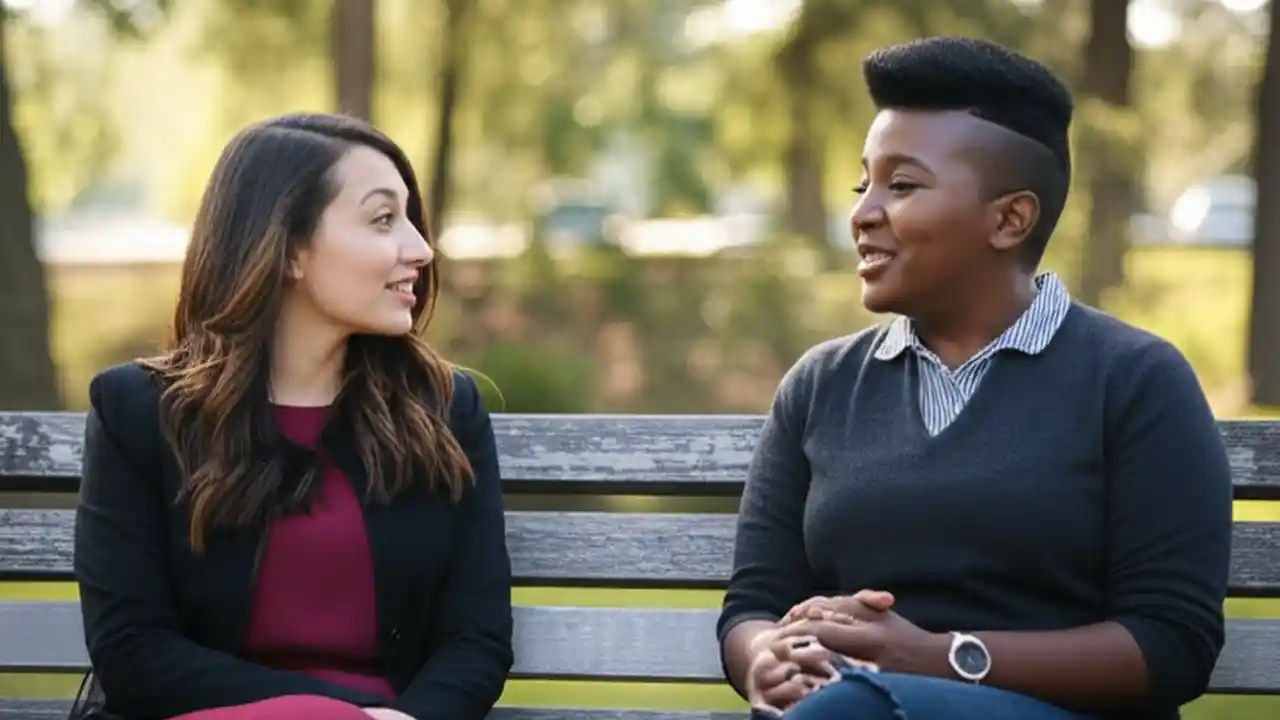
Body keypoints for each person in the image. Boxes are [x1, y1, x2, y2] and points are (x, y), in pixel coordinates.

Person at [716, 36, 1232, 720]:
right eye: (862, 183)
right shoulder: (821, 386)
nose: (864, 213)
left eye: (901, 185)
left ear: (1009, 219)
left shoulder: (1134, 380)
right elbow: (753, 605)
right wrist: (770, 659)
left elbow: (1170, 644)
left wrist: (937, 657)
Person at [73, 113, 513, 720]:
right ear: (290, 250)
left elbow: (477, 640)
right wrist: (346, 714)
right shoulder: (140, 413)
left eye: (411, 219)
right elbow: (134, 653)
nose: (420, 249)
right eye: (384, 219)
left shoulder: (444, 412)